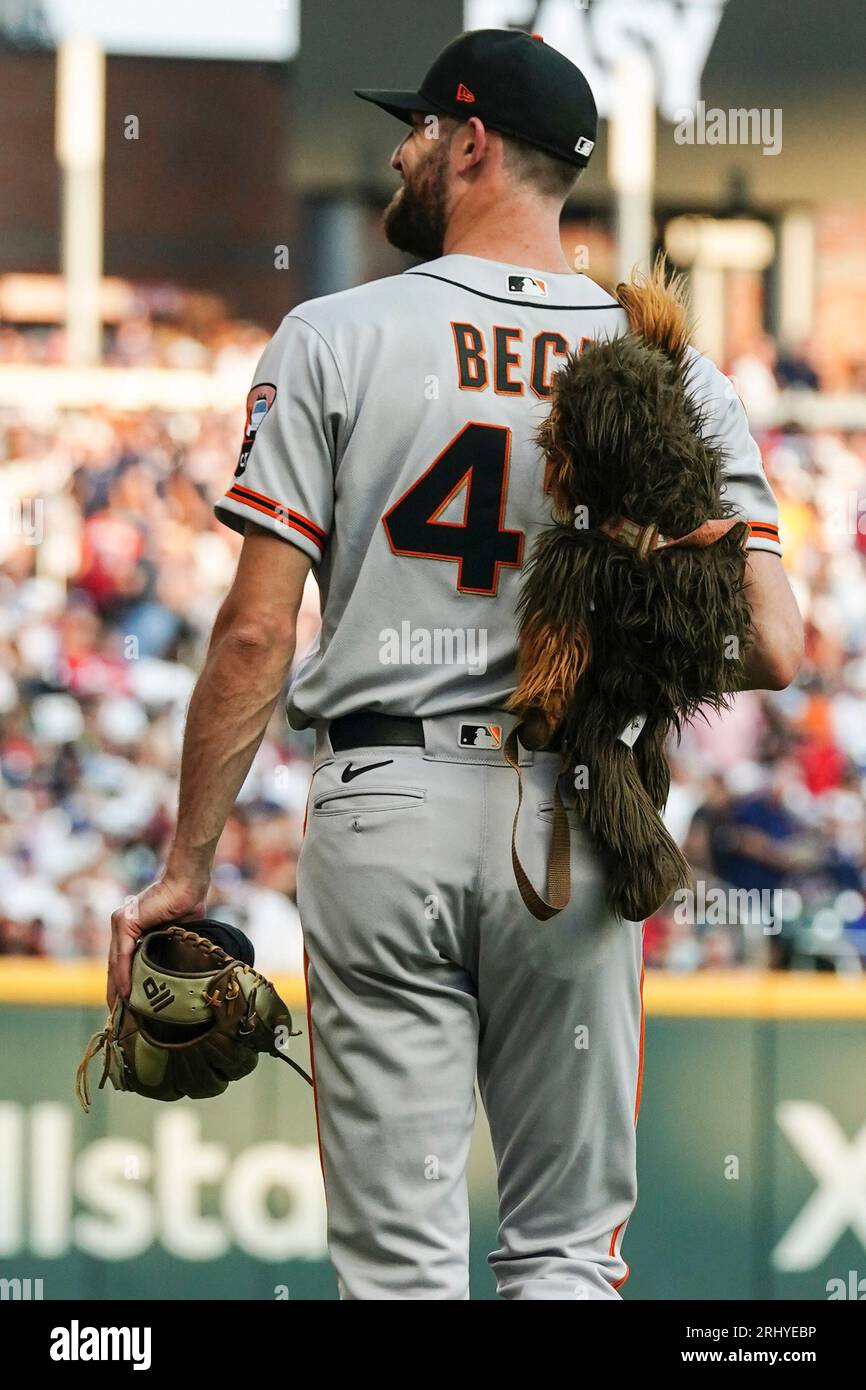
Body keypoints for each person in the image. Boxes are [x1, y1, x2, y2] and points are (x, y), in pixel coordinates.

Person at [107, 29, 804, 1300]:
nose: (399, 147)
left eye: (417, 126)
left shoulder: (332, 332)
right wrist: (639, 603)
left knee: (398, 1272)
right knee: (565, 1257)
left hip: (387, 806)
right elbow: (769, 641)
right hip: (574, 816)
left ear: (471, 140)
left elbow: (258, 631)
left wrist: (187, 865)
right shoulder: (666, 367)